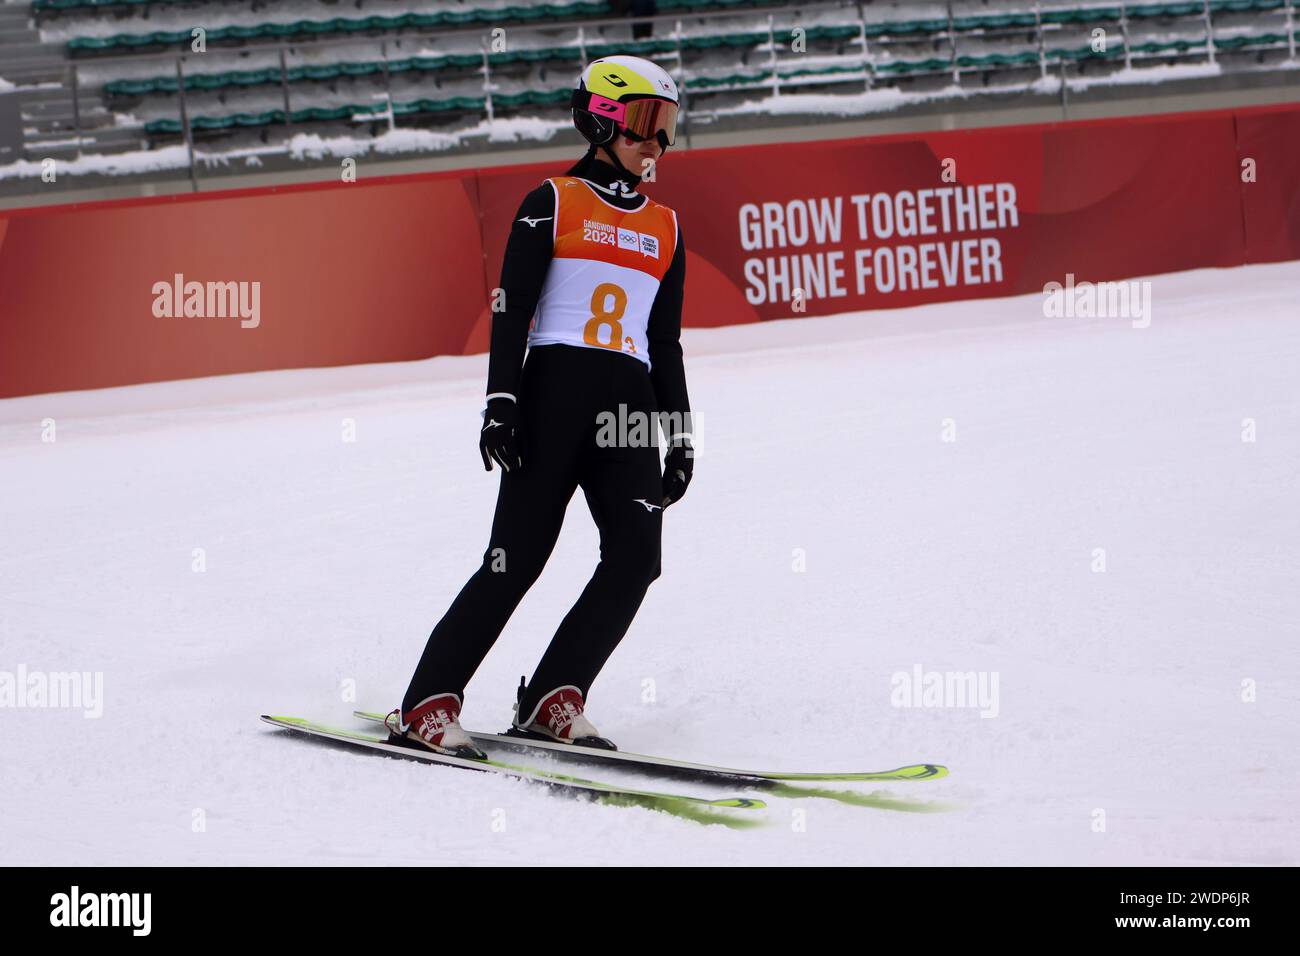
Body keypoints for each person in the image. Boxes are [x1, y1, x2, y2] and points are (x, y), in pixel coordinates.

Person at [387, 55, 693, 758]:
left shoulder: (667, 227)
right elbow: (512, 310)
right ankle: (425, 704)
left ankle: (555, 696)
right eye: (646, 123)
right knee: (514, 560)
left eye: (668, 127)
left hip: (629, 404)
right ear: (601, 119)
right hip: (553, 391)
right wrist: (501, 402)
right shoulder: (549, 201)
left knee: (636, 559)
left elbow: (664, 343)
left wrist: (679, 433)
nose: (658, 143)